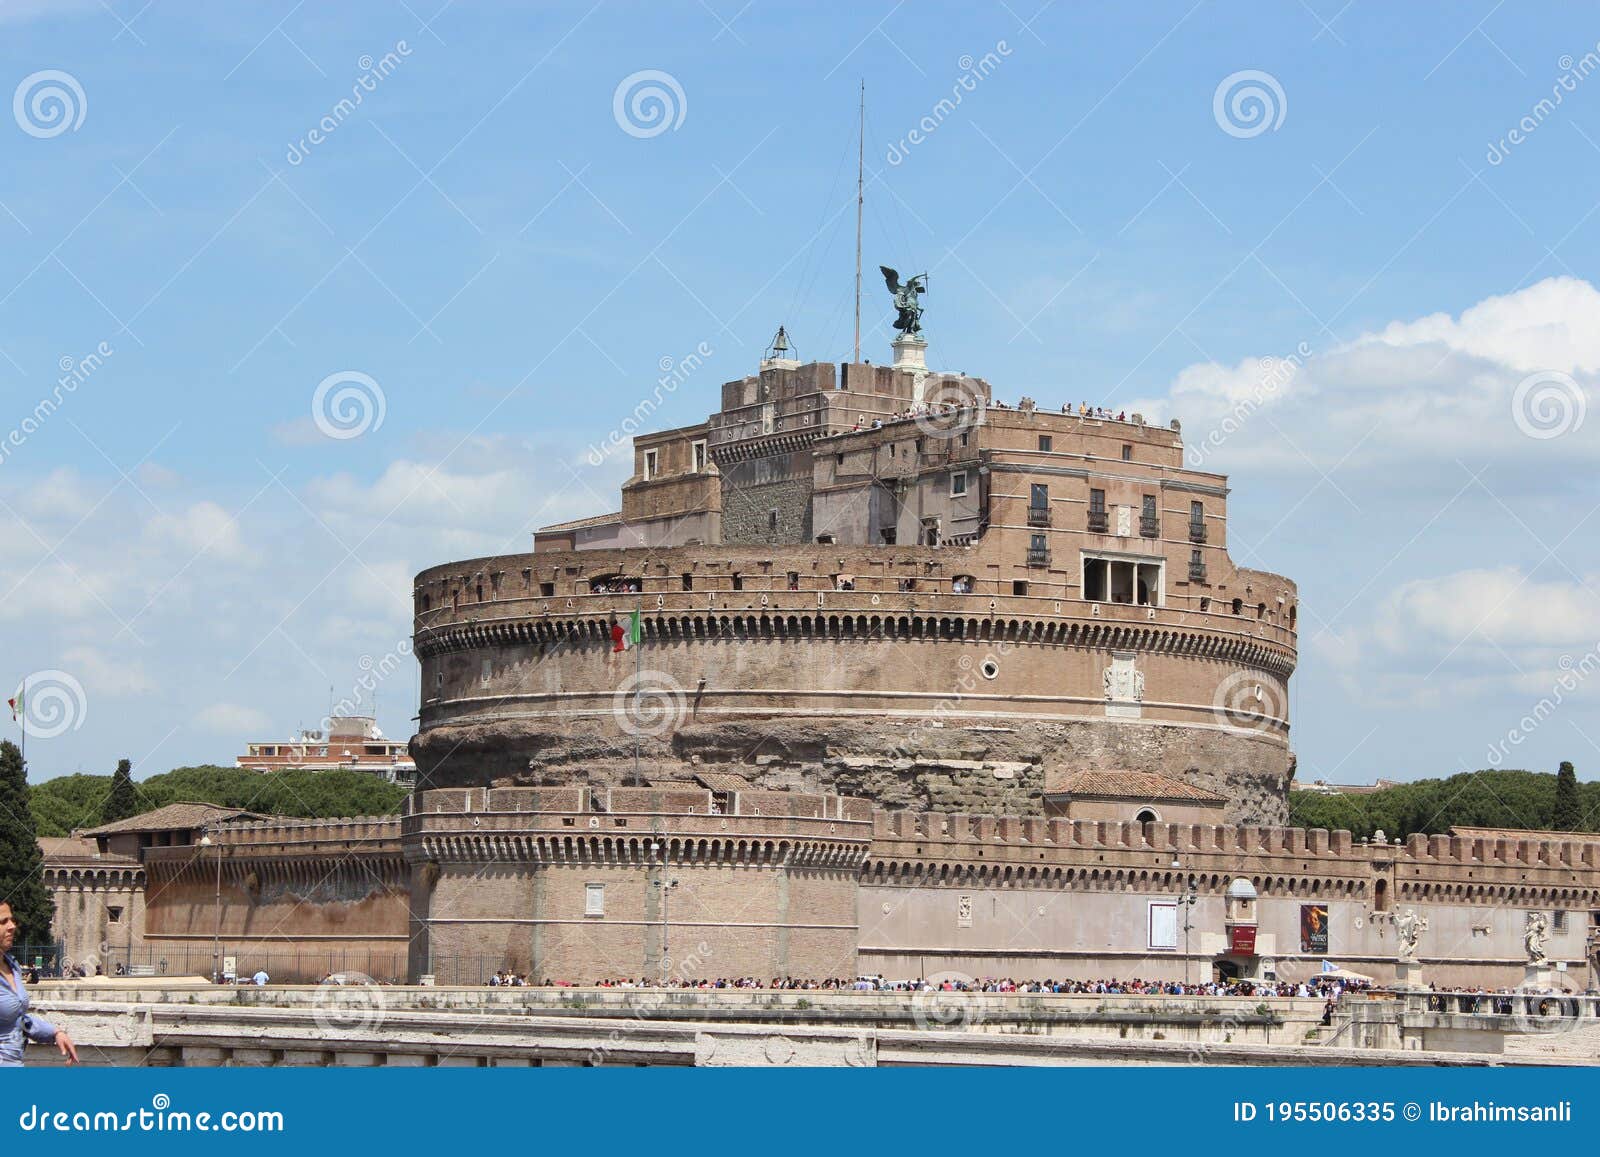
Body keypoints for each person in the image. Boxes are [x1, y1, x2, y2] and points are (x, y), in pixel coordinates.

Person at [0, 901, 78, 1065]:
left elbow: (17, 1021)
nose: (12, 926)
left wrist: (55, 1033)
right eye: (3, 922)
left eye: (12, 920)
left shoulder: (12, 966)